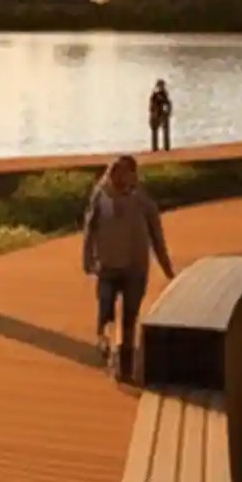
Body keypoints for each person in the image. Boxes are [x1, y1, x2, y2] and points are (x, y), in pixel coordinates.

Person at [83, 155, 175, 383]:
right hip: (107, 267)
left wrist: (167, 269)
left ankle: (125, 369)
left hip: (136, 268)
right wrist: (87, 258)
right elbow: (89, 228)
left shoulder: (143, 200)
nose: (118, 176)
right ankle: (105, 344)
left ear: (133, 174)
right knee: (106, 311)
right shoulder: (100, 195)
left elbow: (156, 236)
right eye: (114, 170)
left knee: (129, 319)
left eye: (124, 171)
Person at [149, 79, 173, 152]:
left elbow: (168, 103)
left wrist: (168, 112)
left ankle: (166, 147)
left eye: (162, 86)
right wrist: (154, 113)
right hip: (156, 114)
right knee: (155, 131)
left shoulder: (164, 93)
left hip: (162, 113)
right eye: (161, 86)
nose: (162, 87)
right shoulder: (155, 94)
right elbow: (152, 106)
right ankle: (155, 148)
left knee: (165, 130)